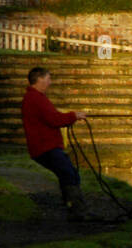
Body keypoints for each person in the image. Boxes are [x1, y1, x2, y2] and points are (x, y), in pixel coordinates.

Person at [21, 67, 89, 219]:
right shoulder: (36, 99)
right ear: (39, 79)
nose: (50, 82)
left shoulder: (34, 98)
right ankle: (77, 211)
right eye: (48, 79)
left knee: (68, 173)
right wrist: (74, 116)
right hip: (46, 147)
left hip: (44, 147)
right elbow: (54, 119)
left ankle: (72, 207)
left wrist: (72, 116)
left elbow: (52, 117)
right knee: (69, 174)